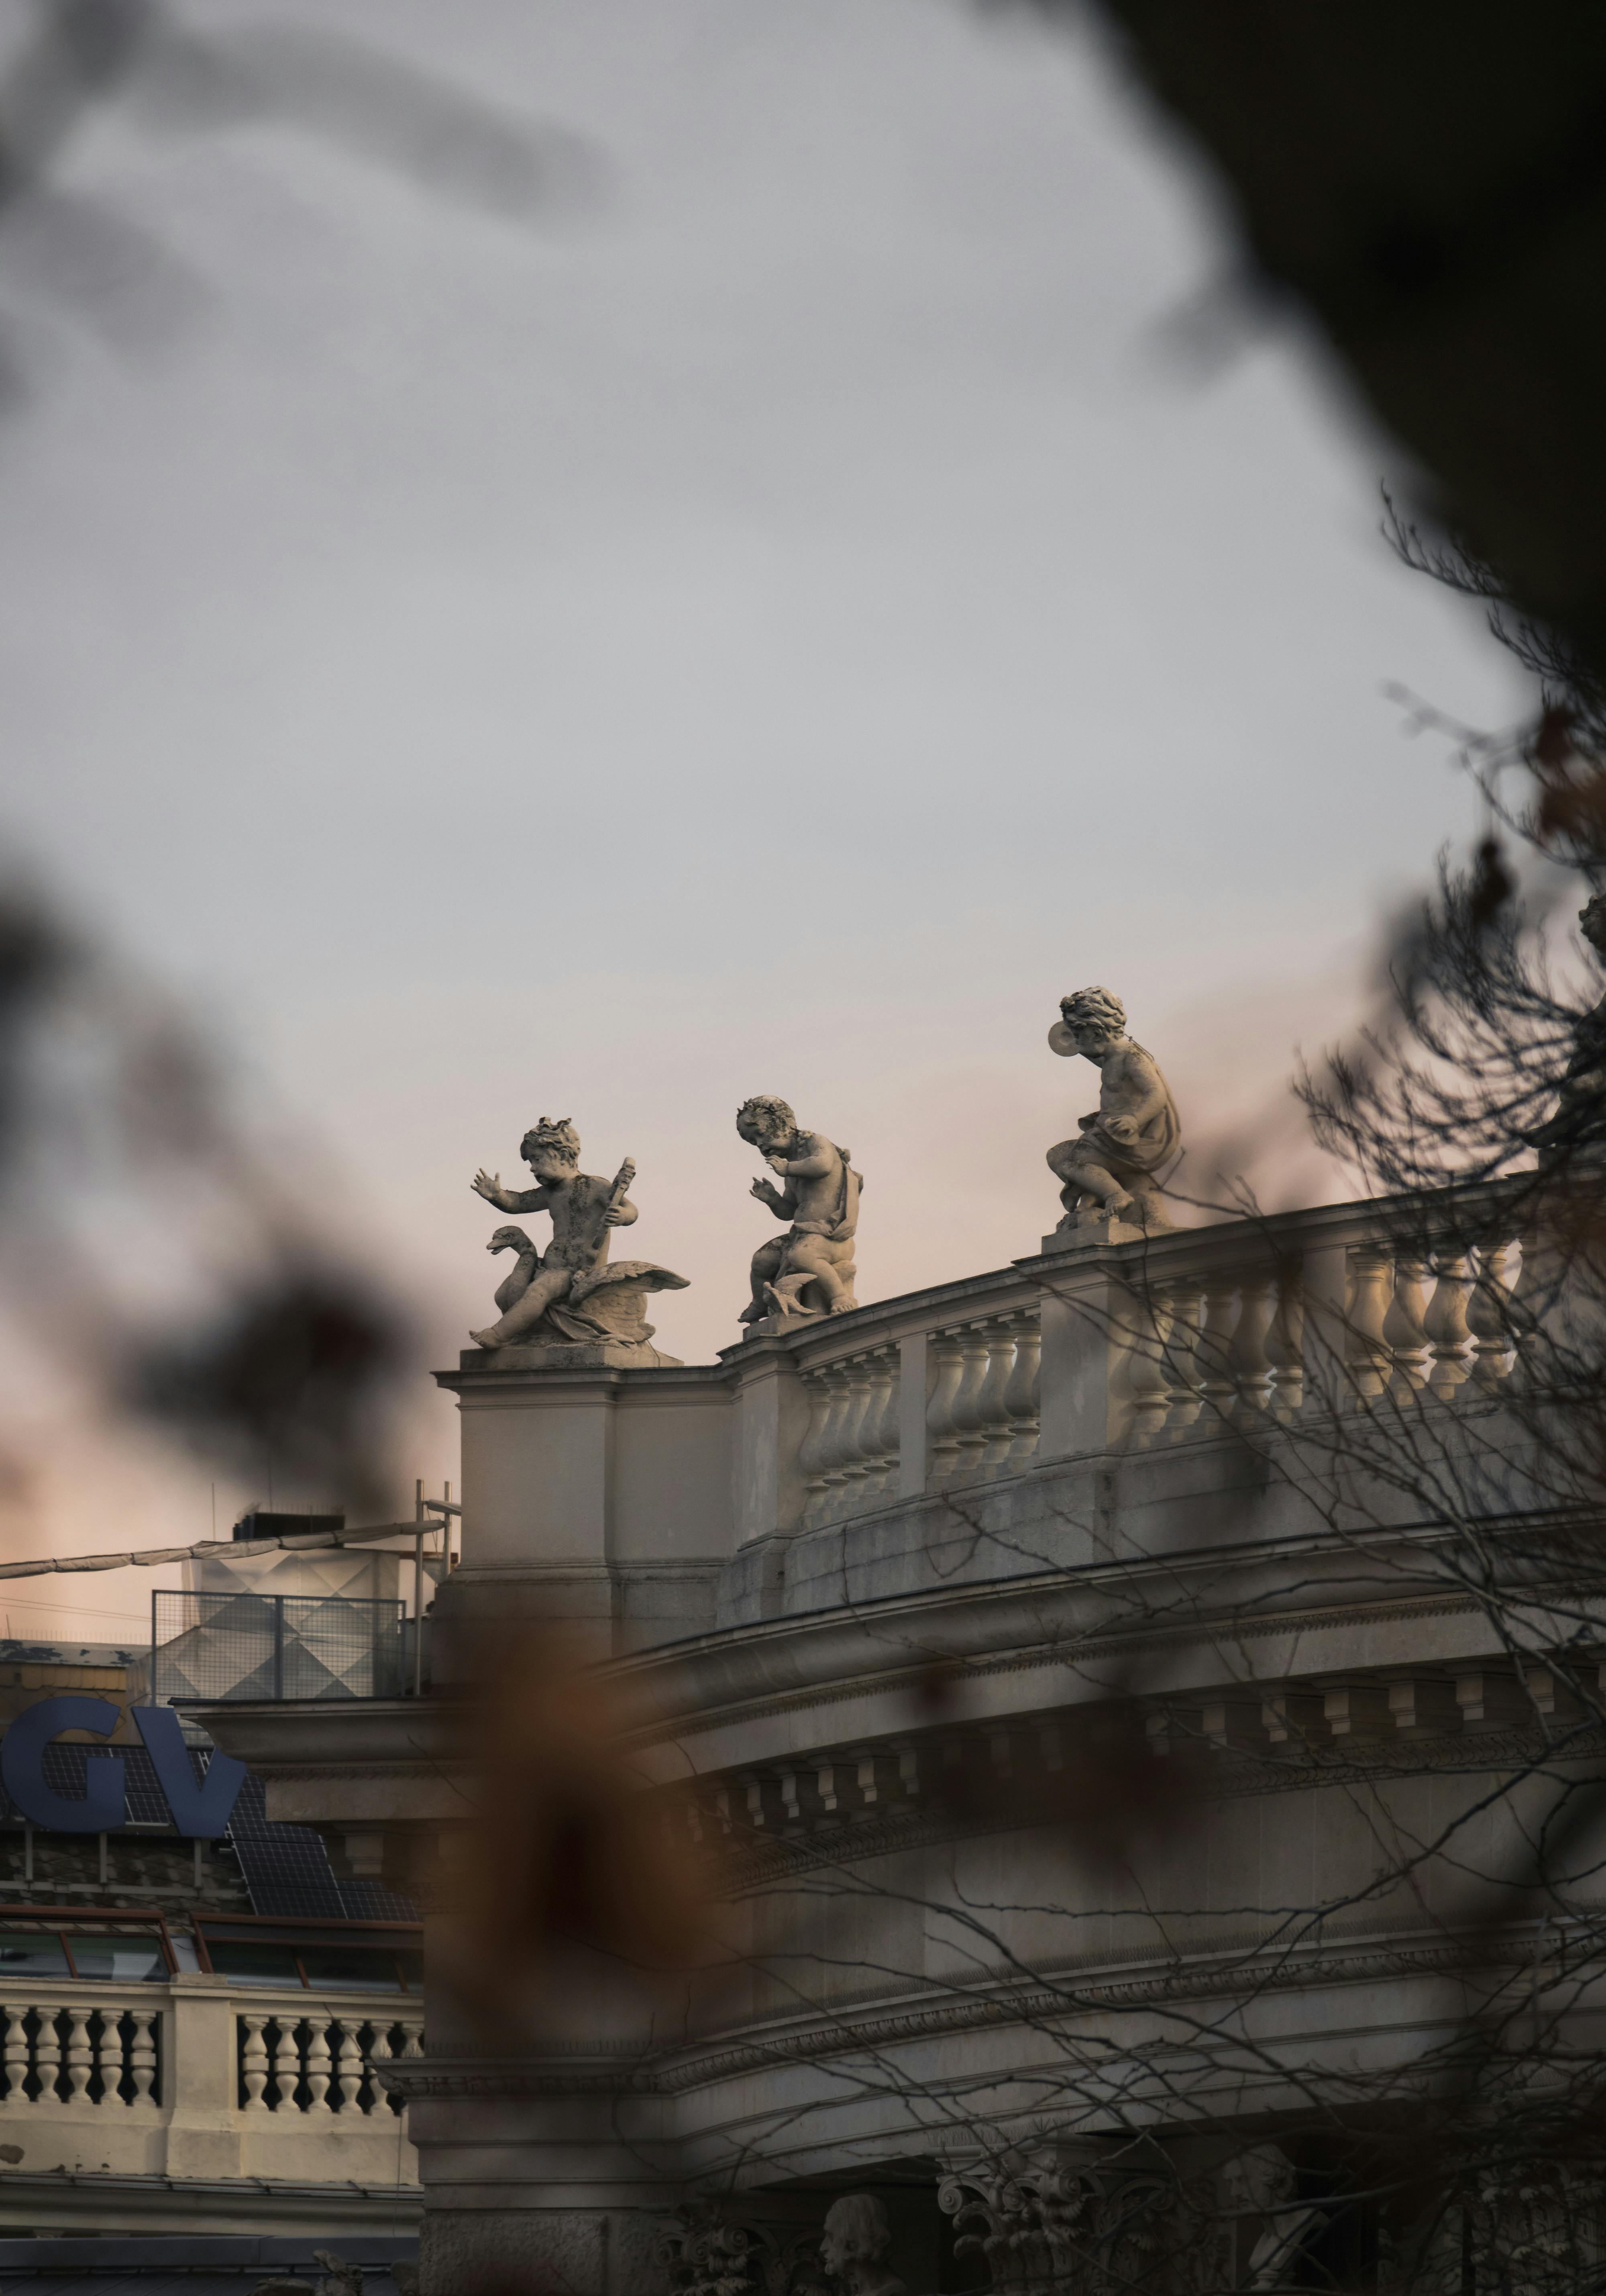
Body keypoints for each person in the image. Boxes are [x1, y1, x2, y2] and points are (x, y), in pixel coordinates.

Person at [468, 1119, 684, 1350]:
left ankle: (498, 1335)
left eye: (537, 1160)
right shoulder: (550, 1193)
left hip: (579, 1270)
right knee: (504, 1294)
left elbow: (631, 1210)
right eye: (531, 1162)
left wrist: (622, 1216)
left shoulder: (594, 1186)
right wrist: (497, 1195)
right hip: (551, 1266)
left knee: (539, 1291)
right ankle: (525, 1333)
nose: (532, 1168)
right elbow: (519, 1203)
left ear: (562, 1155)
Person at [1047, 986, 1180, 1230]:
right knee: (1057, 1155)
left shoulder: (1133, 1057)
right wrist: (1070, 1042)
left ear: (1097, 1033)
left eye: (1079, 1034)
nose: (1076, 1041)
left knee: (1071, 1164)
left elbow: (1156, 1093)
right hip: (1109, 1135)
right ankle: (1097, 1197)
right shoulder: (1111, 1057)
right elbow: (1092, 1053)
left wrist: (1135, 1119)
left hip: (1132, 1138)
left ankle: (1115, 1195)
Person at [737, 1095, 861, 1324]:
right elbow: (788, 1212)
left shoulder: (815, 1143)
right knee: (763, 1259)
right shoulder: (792, 1169)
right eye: (753, 1142)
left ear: (784, 1124)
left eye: (760, 1134)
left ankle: (840, 1296)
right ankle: (759, 1302)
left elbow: (823, 1166)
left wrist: (788, 1168)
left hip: (831, 1238)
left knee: (801, 1255)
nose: (760, 1144)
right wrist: (772, 1199)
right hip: (803, 1234)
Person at [819, 2194, 905, 2296]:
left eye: (831, 2237)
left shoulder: (889, 2291)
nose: (823, 2248)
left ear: (853, 2239)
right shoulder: (860, 2290)